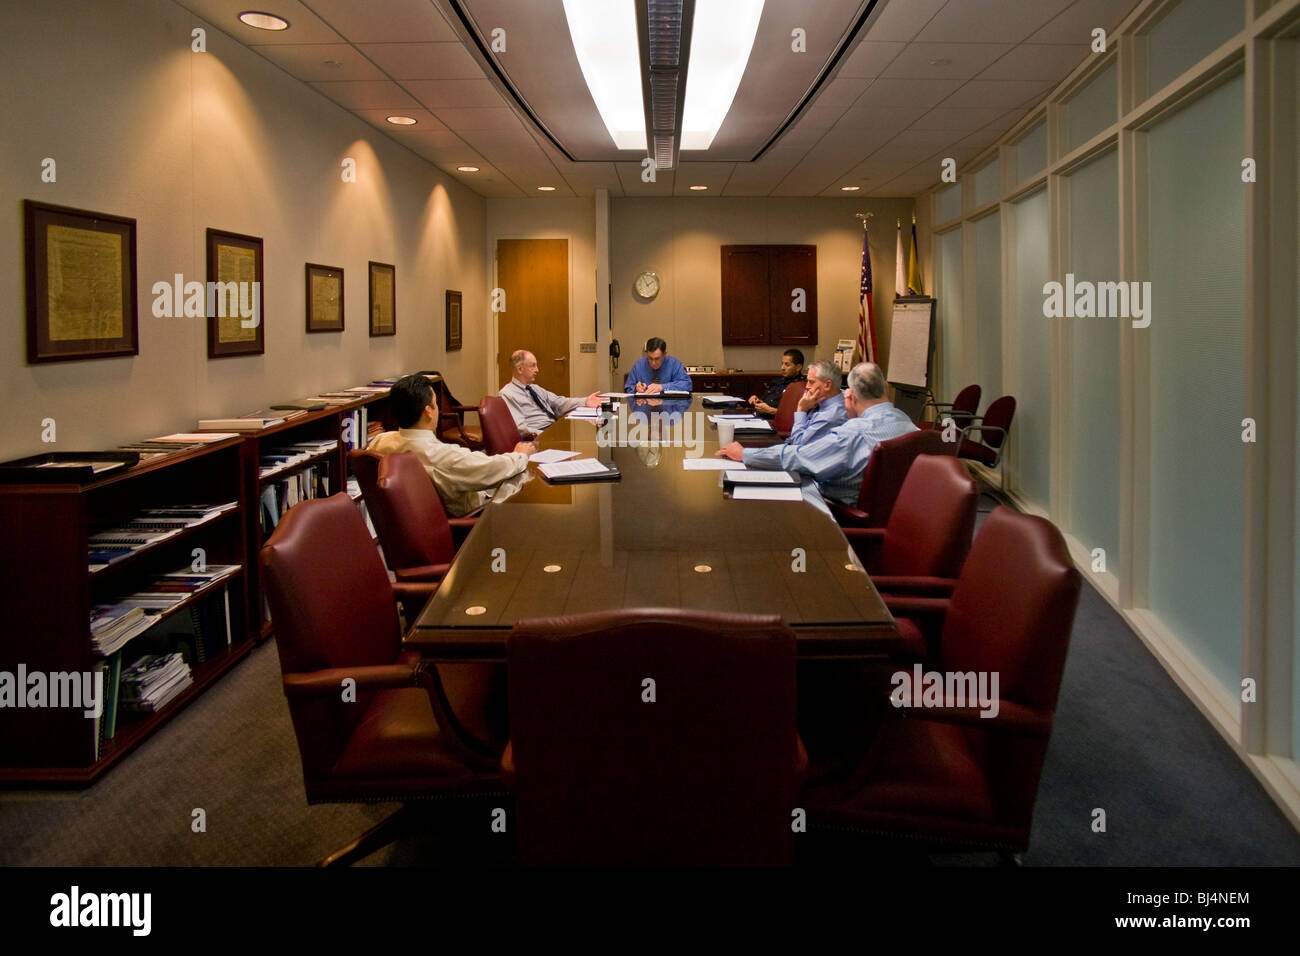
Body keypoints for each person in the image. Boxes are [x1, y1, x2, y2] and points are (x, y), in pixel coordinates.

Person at [716, 361, 917, 505]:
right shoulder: (910, 425)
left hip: (839, 509)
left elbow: (799, 456)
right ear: (884, 389)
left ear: (851, 395)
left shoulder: (853, 433)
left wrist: (744, 454)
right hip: (893, 515)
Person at [367, 373, 535, 517]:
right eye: (436, 403)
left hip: (418, 525)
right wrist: (520, 454)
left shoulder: (379, 442)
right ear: (428, 411)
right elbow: (493, 468)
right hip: (474, 521)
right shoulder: (445, 457)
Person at [499, 349, 601, 433]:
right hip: (539, 435)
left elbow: (559, 402)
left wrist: (585, 401)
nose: (537, 370)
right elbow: (521, 429)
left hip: (553, 429)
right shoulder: (508, 394)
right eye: (533, 366)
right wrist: (547, 435)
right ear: (520, 369)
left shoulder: (534, 388)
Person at [784, 359, 846, 447]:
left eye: (811, 382)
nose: (807, 386)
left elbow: (797, 444)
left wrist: (801, 410)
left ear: (827, 385)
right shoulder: (832, 396)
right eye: (807, 381)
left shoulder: (830, 416)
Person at [623, 337, 692, 394]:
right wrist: (636, 388)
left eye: (657, 359)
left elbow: (687, 385)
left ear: (664, 354)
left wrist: (662, 387)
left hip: (668, 407)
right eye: (650, 358)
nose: (653, 363)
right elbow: (628, 388)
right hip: (644, 407)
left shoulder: (674, 364)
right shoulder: (639, 365)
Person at [749, 348, 805, 415]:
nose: (782, 368)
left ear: (798, 367)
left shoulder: (800, 386)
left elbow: (794, 414)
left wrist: (771, 411)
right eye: (782, 364)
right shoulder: (777, 381)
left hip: (776, 422)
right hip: (760, 417)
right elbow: (768, 403)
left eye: (787, 365)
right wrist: (758, 401)